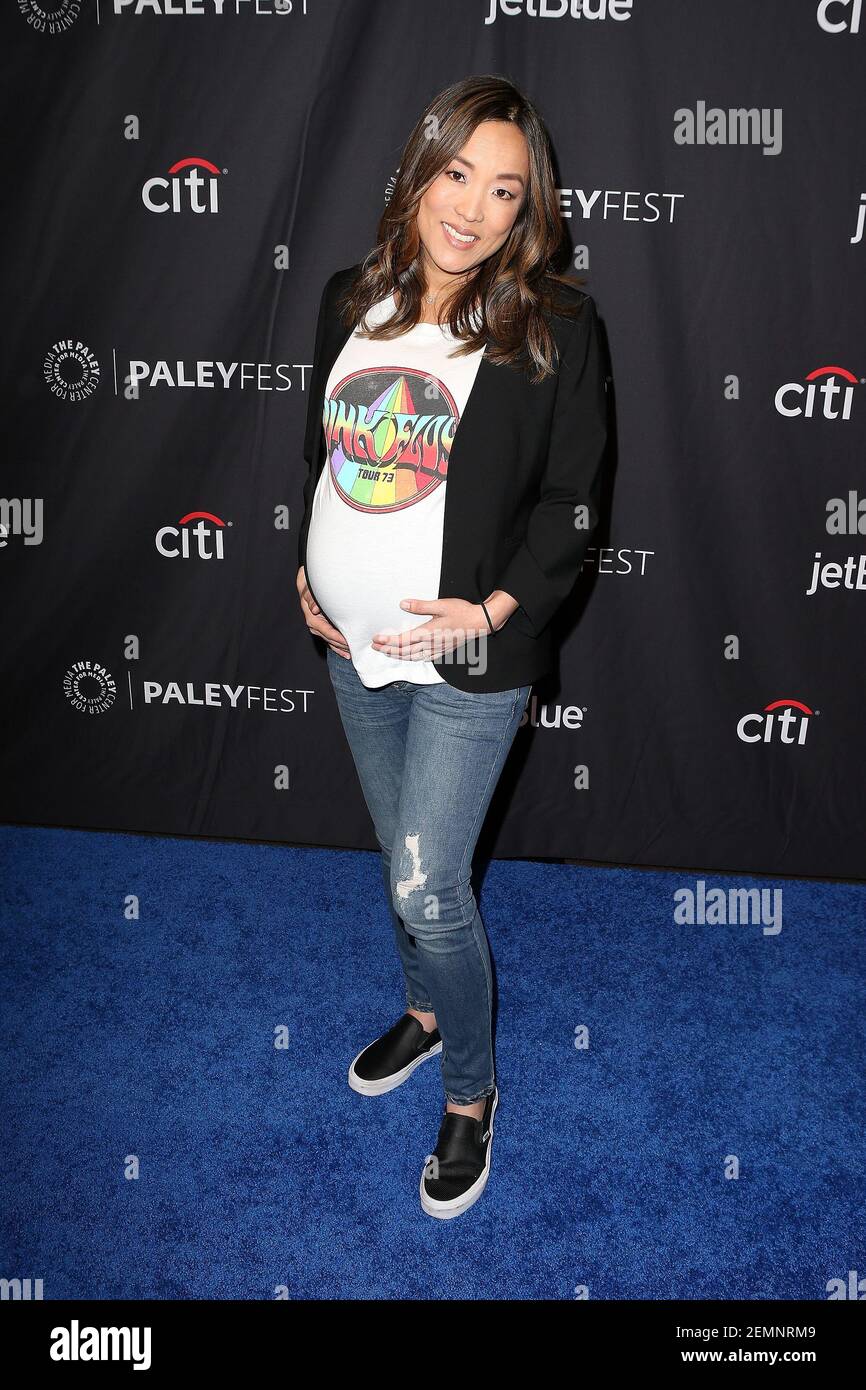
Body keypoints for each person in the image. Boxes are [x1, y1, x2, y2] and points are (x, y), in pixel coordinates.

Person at [295, 74, 609, 1219]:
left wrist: (491, 610)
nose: (470, 208)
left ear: (528, 212)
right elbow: (325, 455)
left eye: (503, 191)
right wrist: (304, 563)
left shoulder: (555, 326)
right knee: (402, 866)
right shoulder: (347, 299)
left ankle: (471, 1094)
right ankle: (428, 1017)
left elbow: (574, 501)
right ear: (419, 170)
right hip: (351, 649)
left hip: (469, 664)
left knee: (430, 888)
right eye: (455, 174)